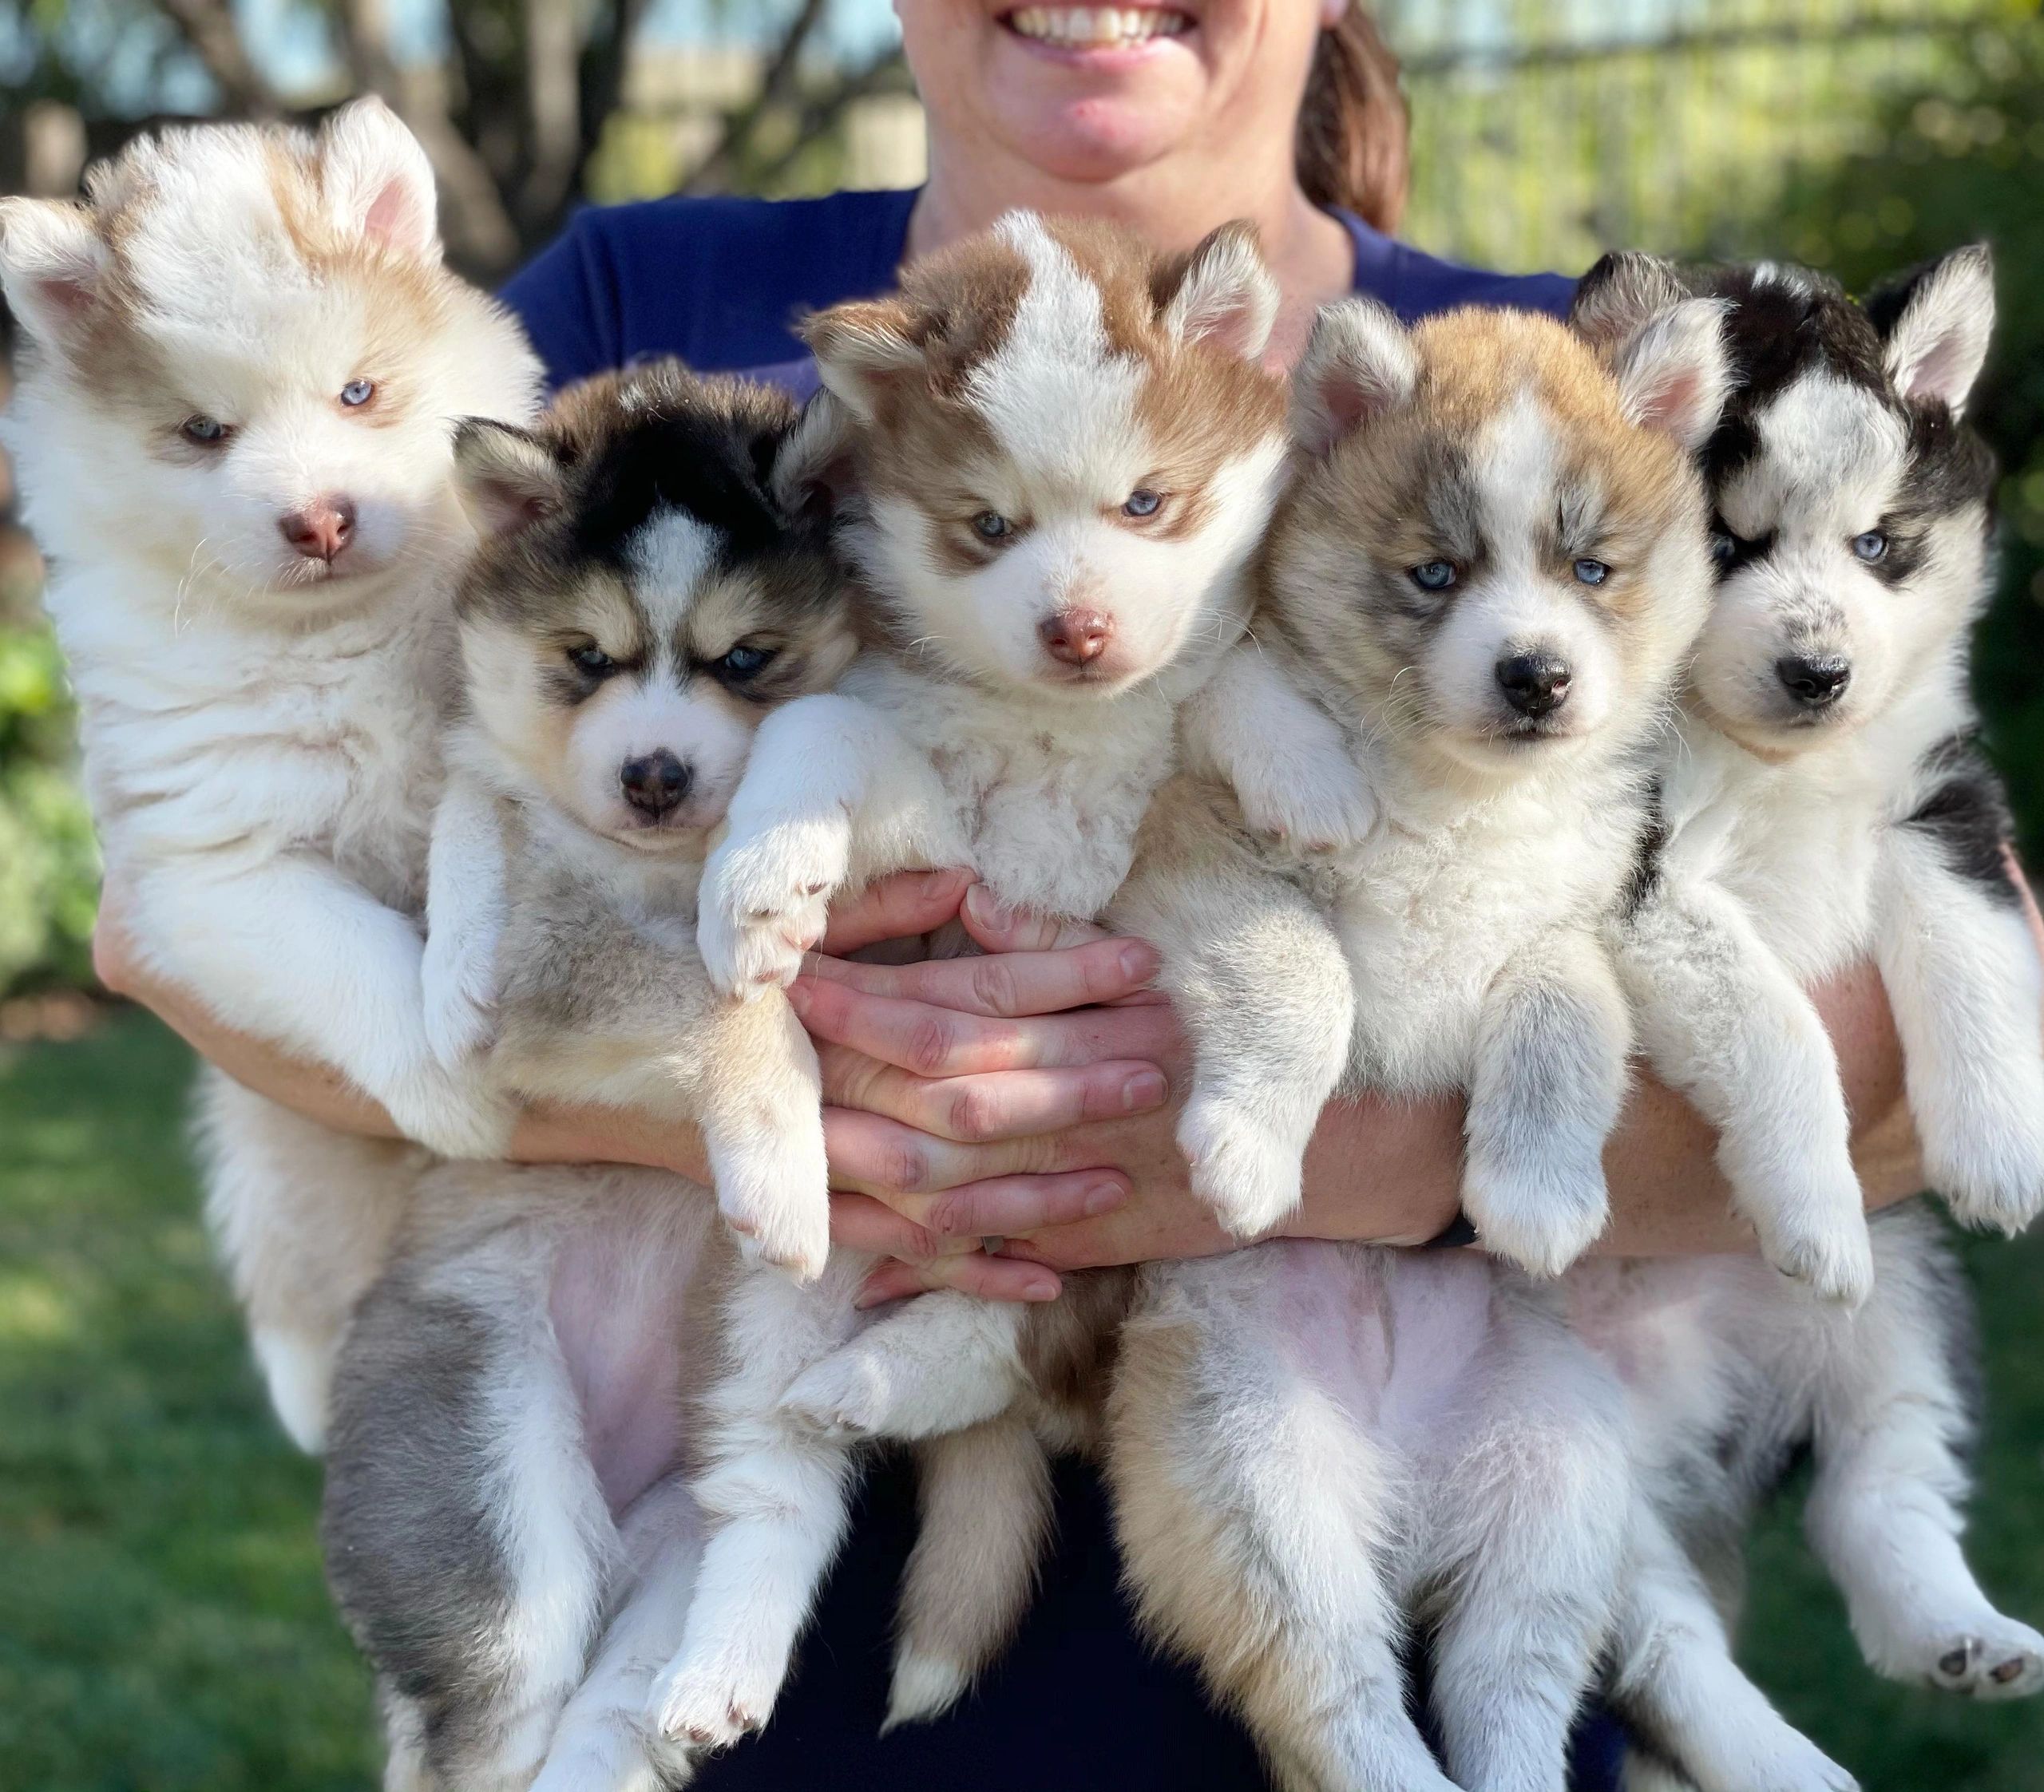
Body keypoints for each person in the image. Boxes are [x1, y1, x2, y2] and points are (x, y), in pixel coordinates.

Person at [93, 3, 2026, 1787]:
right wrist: (800, 1106)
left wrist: (1277, 1156)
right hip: (726, 1555)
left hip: (1388, 1518)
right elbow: (228, 892)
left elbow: (1897, 1023)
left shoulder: (1524, 379)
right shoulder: (636, 306)